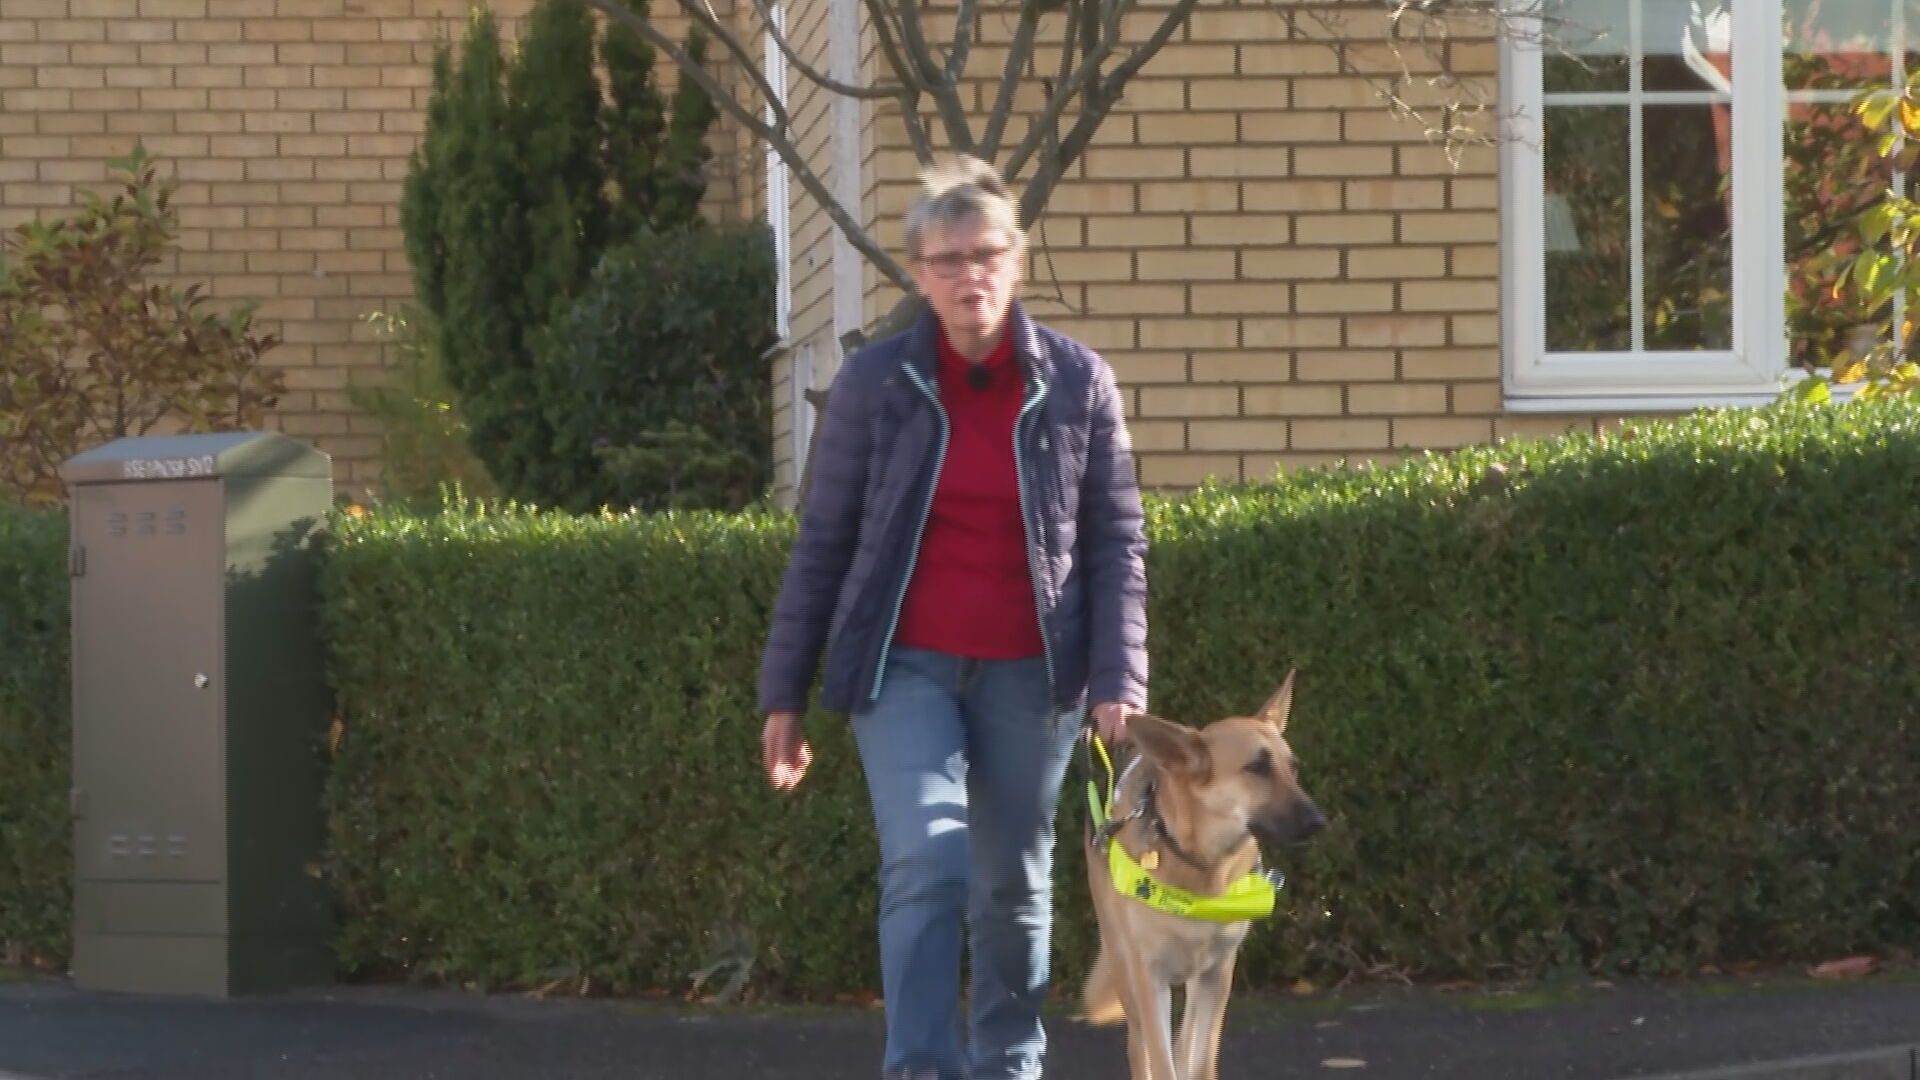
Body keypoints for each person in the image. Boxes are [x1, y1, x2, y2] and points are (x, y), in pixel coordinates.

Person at [756, 154, 1150, 1080]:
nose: (970, 276)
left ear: (1017, 259)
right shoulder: (875, 384)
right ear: (920, 276)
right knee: (929, 863)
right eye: (948, 261)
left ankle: (1009, 1062)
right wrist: (784, 694)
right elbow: (823, 542)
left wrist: (1118, 678)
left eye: (987, 255)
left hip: (1033, 675)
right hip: (905, 671)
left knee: (1012, 884)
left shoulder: (1079, 383)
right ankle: (922, 1067)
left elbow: (1116, 542)